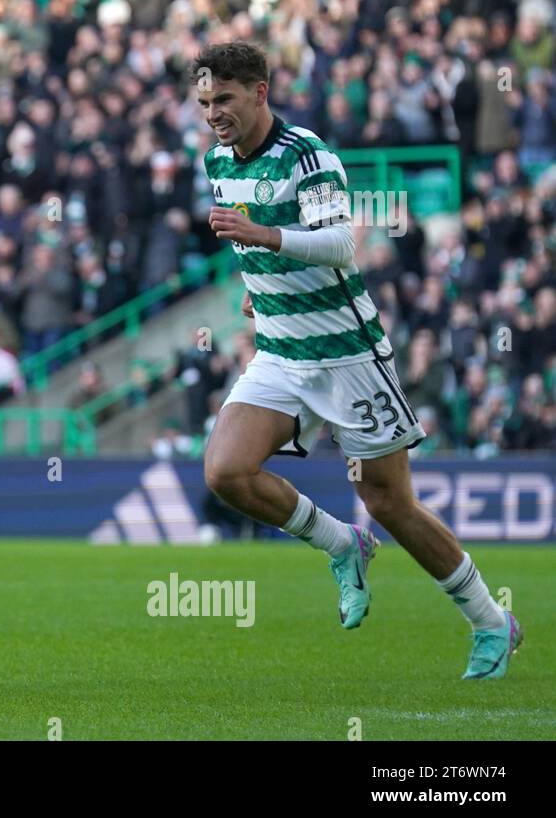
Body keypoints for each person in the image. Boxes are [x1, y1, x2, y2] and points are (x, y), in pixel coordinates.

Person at [193, 42, 521, 679]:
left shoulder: (309, 155)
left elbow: (343, 243)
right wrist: (255, 287)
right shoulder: (216, 161)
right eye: (206, 101)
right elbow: (262, 245)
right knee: (225, 470)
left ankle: (490, 620)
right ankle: (343, 543)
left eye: (224, 99)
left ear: (260, 91)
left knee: (390, 502)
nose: (213, 113)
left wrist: (262, 236)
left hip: (348, 356)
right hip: (282, 353)